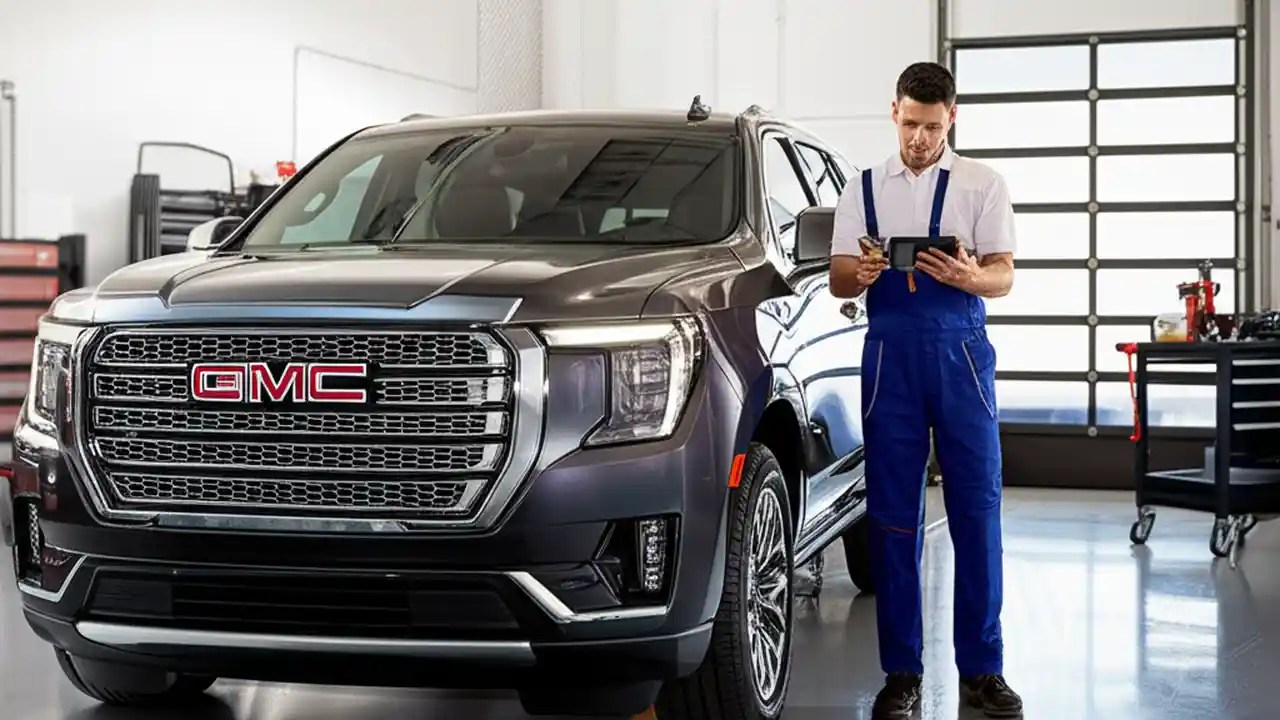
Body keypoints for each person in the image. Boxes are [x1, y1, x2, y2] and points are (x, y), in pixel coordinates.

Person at [828, 61, 1023, 719]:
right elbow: (837, 279)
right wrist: (866, 268)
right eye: (910, 124)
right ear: (894, 114)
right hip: (891, 361)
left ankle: (983, 672)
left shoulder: (982, 184)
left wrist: (971, 275)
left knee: (976, 509)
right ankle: (901, 675)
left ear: (952, 118)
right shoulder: (862, 189)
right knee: (890, 518)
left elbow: (1005, 276)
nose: (918, 138)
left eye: (931, 127)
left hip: (963, 357)